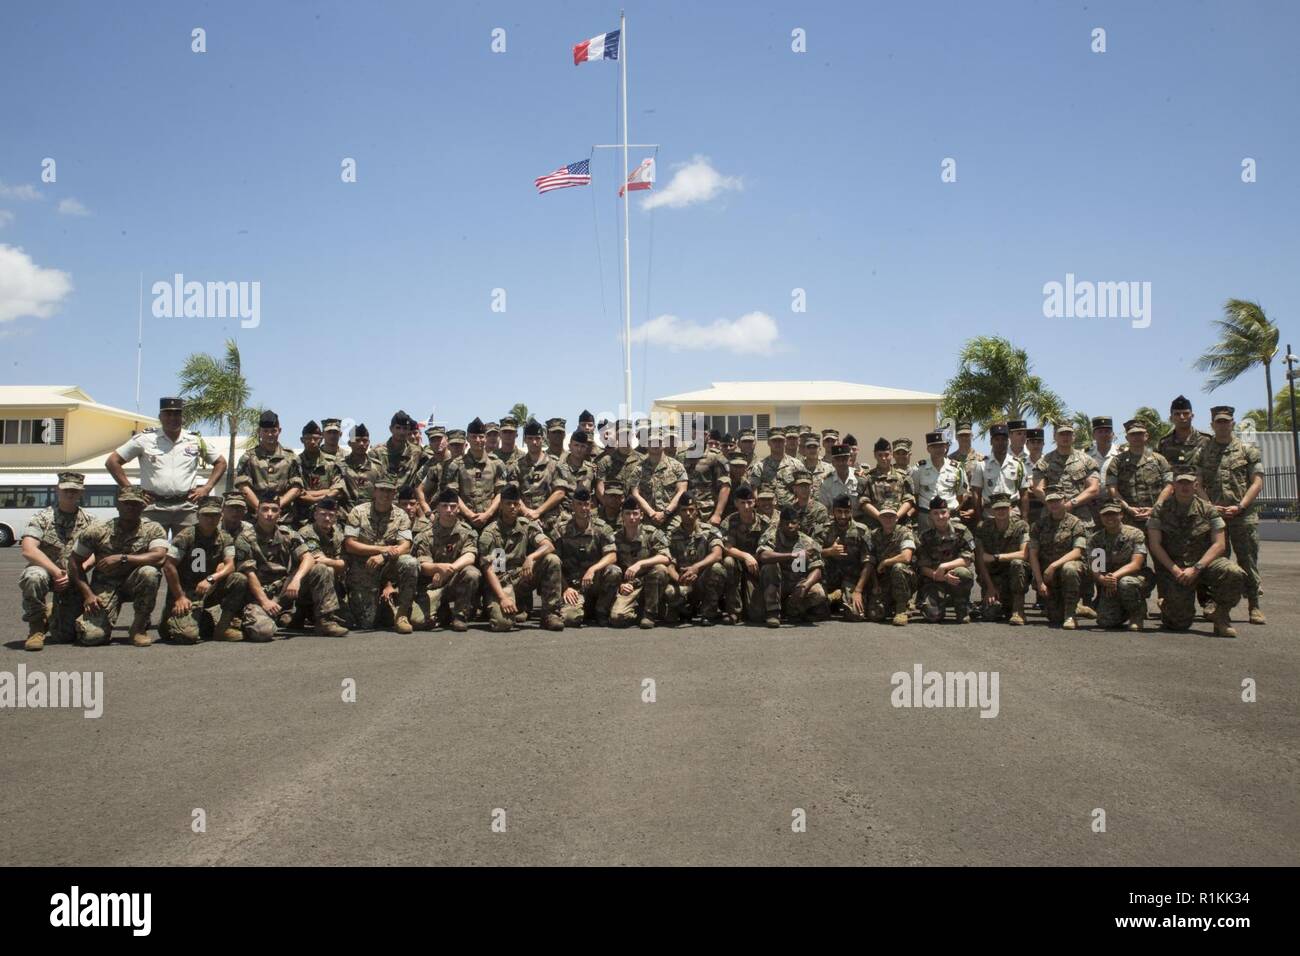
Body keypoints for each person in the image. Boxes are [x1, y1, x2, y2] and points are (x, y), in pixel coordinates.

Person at [106, 396, 227, 534]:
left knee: (190, 551)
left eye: (177, 414)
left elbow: (221, 462)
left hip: (186, 507)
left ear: (182, 417)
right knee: (151, 550)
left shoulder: (194, 440)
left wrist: (207, 487)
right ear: (160, 417)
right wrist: (131, 490)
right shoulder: (145, 439)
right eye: (168, 414)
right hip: (153, 507)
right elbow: (112, 462)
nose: (172, 418)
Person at [1146, 469, 1245, 638]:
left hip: (1204, 564)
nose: (1185, 487)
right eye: (1180, 483)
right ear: (1173, 486)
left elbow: (1219, 545)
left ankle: (1221, 617)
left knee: (1233, 572)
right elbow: (1155, 545)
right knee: (1179, 624)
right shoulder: (1160, 510)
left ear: (1196, 486)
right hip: (1176, 568)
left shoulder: (1208, 509)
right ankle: (1168, 605)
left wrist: (1197, 568)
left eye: (1189, 483)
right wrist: (1175, 570)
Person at [68, 487, 168, 647]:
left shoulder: (153, 529)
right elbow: (74, 561)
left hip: (135, 581)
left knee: (150, 572)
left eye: (135, 504)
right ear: (117, 505)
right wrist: (87, 594)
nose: (130, 507)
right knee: (92, 637)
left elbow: (160, 556)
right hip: (105, 585)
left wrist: (123, 558)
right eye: (126, 503)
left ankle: (139, 628)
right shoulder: (97, 530)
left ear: (143, 507)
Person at [1193, 406, 1266, 625]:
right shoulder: (1203, 451)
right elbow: (1198, 483)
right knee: (1216, 562)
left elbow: (1257, 482)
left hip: (1243, 516)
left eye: (1226, 421)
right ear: (1212, 425)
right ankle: (1217, 605)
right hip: (1215, 517)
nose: (1223, 425)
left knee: (1248, 561)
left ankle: (1254, 606)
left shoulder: (1247, 450)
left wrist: (1241, 506)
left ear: (1233, 423)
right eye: (1219, 422)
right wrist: (1210, 506)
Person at [238, 491, 343, 640]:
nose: (269, 514)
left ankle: (325, 621)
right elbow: (249, 573)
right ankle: (255, 618)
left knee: (321, 569)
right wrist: (265, 602)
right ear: (257, 512)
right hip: (259, 594)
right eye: (265, 509)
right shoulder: (245, 537)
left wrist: (296, 580)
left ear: (280, 514)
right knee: (263, 632)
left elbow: (308, 558)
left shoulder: (288, 534)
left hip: (284, 589)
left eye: (274, 510)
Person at [18, 471, 96, 650]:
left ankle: (51, 612)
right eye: (66, 489)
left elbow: (96, 552)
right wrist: (55, 572)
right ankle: (36, 628)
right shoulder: (42, 518)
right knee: (33, 576)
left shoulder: (90, 521)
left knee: (64, 636)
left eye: (75, 490)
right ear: (57, 490)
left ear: (81, 492)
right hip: (46, 572)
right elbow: (28, 549)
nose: (70, 493)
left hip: (74, 577)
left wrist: (76, 570)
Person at [160, 495, 247, 643]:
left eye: (214, 515)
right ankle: (169, 620)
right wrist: (180, 597)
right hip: (187, 592)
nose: (210, 519)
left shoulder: (225, 537)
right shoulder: (186, 536)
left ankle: (222, 629)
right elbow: (168, 566)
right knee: (188, 636)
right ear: (197, 515)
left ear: (220, 516)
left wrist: (212, 578)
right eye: (206, 515)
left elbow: (230, 565)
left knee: (239, 579)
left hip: (209, 588)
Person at [478, 484, 564, 632]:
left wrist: (531, 557)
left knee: (552, 560)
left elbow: (548, 545)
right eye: (508, 503)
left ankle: (550, 614)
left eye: (516, 504)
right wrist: (503, 598)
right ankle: (495, 605)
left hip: (521, 577)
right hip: (500, 582)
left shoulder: (525, 525)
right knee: (502, 624)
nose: (512, 507)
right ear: (501, 506)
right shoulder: (490, 533)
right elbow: (490, 570)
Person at [343, 478, 418, 633]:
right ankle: (382, 606)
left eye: (389, 491)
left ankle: (402, 615)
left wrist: (384, 556)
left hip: (389, 564)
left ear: (394, 493)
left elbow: (405, 546)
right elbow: (350, 545)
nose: (385, 494)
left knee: (410, 563)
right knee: (367, 623)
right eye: (382, 490)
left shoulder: (401, 515)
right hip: (364, 568)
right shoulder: (358, 512)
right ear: (374, 491)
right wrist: (380, 550)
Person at [412, 488, 482, 632]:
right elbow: (423, 565)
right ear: (437, 508)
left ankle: (460, 615)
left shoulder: (466, 531)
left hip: (454, 583)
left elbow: (470, 555)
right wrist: (439, 568)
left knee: (472, 573)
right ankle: (442, 611)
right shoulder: (425, 534)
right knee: (417, 622)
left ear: (458, 509)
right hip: (432, 585)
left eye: (453, 506)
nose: (449, 510)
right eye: (444, 506)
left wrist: (449, 570)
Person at [551, 488, 620, 627]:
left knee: (614, 571)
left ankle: (601, 611)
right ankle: (585, 609)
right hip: (573, 586)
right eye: (579, 504)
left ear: (591, 505)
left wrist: (592, 569)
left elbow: (612, 555)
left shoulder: (601, 528)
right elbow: (555, 563)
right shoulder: (561, 529)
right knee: (570, 619)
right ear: (572, 506)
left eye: (586, 504)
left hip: (595, 583)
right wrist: (565, 588)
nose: (583, 508)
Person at [756, 505, 828, 627]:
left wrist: (806, 585)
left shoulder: (807, 542)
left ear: (798, 524)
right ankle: (773, 612)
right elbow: (763, 555)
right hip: (775, 584)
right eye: (786, 523)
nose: (790, 526)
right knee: (770, 566)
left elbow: (817, 568)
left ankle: (792, 610)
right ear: (780, 523)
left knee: (819, 593)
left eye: (793, 523)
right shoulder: (772, 535)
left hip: (796, 583)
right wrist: (792, 555)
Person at [1028, 486, 1088, 629]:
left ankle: (1070, 615)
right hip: (1049, 576)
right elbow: (1033, 555)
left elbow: (1078, 551)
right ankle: (1077, 608)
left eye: (1057, 501)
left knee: (1069, 568)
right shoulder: (1039, 525)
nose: (1054, 505)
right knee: (1054, 618)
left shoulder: (1075, 523)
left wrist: (1054, 565)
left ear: (1064, 501)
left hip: (1068, 570)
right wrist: (1039, 581)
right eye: (1050, 501)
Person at [662, 494, 726, 625]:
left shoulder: (709, 531)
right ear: (679, 512)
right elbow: (669, 562)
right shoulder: (672, 535)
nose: (688, 513)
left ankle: (708, 613)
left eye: (691, 509)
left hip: (703, 580)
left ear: (697, 510)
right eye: (684, 510)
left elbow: (717, 554)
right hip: (682, 581)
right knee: (669, 590)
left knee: (717, 568)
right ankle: (685, 610)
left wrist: (696, 568)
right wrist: (680, 579)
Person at [609, 497, 671, 629]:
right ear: (622, 516)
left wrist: (641, 564)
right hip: (630, 586)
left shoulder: (651, 533)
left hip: (650, 584)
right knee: (617, 618)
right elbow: (610, 564)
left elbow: (666, 557)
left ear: (641, 515)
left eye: (635, 514)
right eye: (628, 513)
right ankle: (639, 611)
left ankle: (649, 615)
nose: (632, 518)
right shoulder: (615, 537)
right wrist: (620, 584)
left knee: (660, 569)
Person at [1088, 500, 1149, 632]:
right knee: (1105, 622)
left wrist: (1113, 576)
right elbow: (1096, 568)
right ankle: (1123, 610)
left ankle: (1136, 615)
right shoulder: (1095, 539)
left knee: (1125, 583)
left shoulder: (1135, 534)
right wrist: (1103, 580)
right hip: (1109, 582)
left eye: (1113, 514)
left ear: (1121, 515)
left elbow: (1136, 564)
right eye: (1106, 515)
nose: (1110, 518)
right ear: (1101, 517)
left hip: (1135, 577)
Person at [295, 496, 351, 632]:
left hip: (331, 587)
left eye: (331, 515)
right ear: (315, 515)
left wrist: (330, 561)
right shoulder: (306, 532)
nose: (327, 518)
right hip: (305, 586)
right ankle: (324, 620)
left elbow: (345, 564)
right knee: (324, 569)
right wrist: (335, 563)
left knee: (351, 621)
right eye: (323, 514)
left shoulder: (338, 534)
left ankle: (310, 614)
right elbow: (317, 561)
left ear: (336, 517)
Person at [916, 497, 975, 623]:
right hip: (934, 580)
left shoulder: (962, 531)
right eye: (935, 513)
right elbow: (922, 566)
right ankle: (942, 601)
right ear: (930, 516)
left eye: (943, 512)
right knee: (933, 616)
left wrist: (943, 567)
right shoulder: (925, 536)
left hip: (954, 577)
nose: (940, 516)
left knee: (963, 572)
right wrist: (939, 576)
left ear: (949, 513)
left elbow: (967, 559)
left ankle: (961, 605)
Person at [973, 492, 1029, 625]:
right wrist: (990, 588)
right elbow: (980, 560)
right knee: (990, 614)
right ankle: (1001, 603)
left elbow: (1024, 554)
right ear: (992, 509)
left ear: (1010, 508)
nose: (1001, 511)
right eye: (998, 508)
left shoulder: (1021, 526)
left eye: (1004, 508)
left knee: (1018, 563)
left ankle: (1018, 611)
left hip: (1014, 576)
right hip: (993, 578)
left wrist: (996, 557)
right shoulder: (983, 528)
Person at [1107, 419, 1172, 531]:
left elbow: (1169, 486)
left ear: (1146, 436)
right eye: (1133, 434)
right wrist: (1127, 508)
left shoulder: (1159, 459)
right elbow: (1112, 489)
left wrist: (1155, 508)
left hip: (1157, 517)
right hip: (1127, 518)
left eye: (1140, 433)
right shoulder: (1117, 461)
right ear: (1127, 438)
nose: (1136, 437)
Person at [444, 418, 508, 531]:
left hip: (492, 521)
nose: (478, 440)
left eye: (481, 436)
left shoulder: (497, 464)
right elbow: (453, 493)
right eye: (474, 437)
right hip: (464, 522)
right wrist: (470, 515)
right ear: (468, 439)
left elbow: (500, 492)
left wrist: (487, 514)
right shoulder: (456, 465)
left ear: (485, 438)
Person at [234, 410, 303, 515]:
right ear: (259, 431)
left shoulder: (291, 458)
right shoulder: (249, 458)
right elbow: (243, 486)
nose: (270, 434)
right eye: (265, 431)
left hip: (284, 517)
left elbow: (297, 487)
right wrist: (261, 509)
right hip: (254, 516)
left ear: (279, 431)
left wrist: (276, 508)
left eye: (273, 430)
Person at [820, 493, 874, 622]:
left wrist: (858, 591)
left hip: (852, 580)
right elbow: (811, 553)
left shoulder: (862, 530)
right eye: (839, 512)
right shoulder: (824, 530)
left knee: (855, 615)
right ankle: (834, 598)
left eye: (846, 512)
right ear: (833, 511)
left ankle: (840, 598)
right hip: (830, 578)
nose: (843, 516)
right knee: (814, 612)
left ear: (851, 511)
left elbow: (869, 562)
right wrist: (829, 551)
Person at [720, 486, 770, 624]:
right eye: (742, 503)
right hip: (738, 563)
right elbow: (726, 547)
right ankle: (734, 612)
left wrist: (753, 559)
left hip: (756, 567)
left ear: (755, 502)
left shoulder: (764, 522)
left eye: (749, 502)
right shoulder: (729, 521)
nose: (746, 506)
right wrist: (746, 556)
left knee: (757, 615)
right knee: (728, 562)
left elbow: (767, 549)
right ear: (736, 503)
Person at [511, 419, 566, 534]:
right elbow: (512, 493)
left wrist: (538, 512)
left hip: (551, 521)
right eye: (530, 438)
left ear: (543, 439)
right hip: (524, 520)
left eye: (537, 438)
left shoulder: (554, 464)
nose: (534, 442)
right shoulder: (517, 466)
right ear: (525, 440)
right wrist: (527, 513)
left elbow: (560, 492)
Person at [971, 423, 1030, 524]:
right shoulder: (981, 465)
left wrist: (1025, 519)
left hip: (1012, 514)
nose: (1000, 442)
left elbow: (1024, 493)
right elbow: (976, 493)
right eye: (996, 439)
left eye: (1003, 439)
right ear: (991, 441)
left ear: (1008, 441)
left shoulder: (1018, 464)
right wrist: (979, 519)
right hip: (990, 515)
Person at [291, 420, 346, 528]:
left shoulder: (331, 463)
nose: (312, 442)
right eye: (308, 438)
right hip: (303, 519)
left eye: (315, 439)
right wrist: (327, 492)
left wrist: (313, 499)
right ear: (302, 440)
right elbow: (298, 492)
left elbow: (337, 490)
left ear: (321, 439)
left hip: (328, 517)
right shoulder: (295, 463)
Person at [911, 431, 966, 535]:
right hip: (927, 517)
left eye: (941, 446)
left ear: (946, 447)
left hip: (951, 516)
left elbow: (960, 495)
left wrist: (949, 511)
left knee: (954, 547)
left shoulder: (957, 468)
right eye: (934, 446)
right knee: (927, 548)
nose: (938, 450)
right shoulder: (919, 468)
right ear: (928, 449)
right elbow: (915, 494)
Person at [858, 437, 915, 530]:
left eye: (887, 455)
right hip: (875, 526)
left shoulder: (903, 477)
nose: (884, 458)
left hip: (899, 524)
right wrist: (880, 517)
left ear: (891, 455)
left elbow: (909, 500)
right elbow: (863, 502)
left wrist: (896, 517)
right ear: (875, 455)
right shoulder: (868, 478)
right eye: (880, 455)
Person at [368, 410, 425, 501]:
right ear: (391, 429)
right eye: (398, 428)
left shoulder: (417, 452)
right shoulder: (377, 453)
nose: (402, 432)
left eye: (405, 428)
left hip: (406, 504)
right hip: (382, 502)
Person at [745, 429, 800, 507]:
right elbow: (754, 489)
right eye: (774, 440)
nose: (777, 443)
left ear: (785, 442)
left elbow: (803, 487)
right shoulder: (760, 466)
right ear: (768, 443)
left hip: (790, 512)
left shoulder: (796, 464)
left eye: (780, 440)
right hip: (767, 512)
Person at [339, 423, 381, 507]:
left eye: (365, 440)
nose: (361, 444)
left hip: (370, 515)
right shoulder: (340, 466)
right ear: (349, 443)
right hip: (345, 515)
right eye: (357, 440)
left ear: (369, 443)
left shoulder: (377, 466)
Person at [817, 443, 859, 511]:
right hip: (834, 519)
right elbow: (824, 508)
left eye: (844, 459)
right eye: (838, 460)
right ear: (833, 462)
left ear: (849, 460)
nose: (841, 463)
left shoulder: (859, 478)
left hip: (857, 519)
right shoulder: (826, 482)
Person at [789, 470, 830, 539]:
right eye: (801, 486)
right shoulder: (791, 509)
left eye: (806, 486)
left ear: (811, 488)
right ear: (794, 489)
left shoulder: (820, 509)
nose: (804, 489)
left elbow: (822, 535)